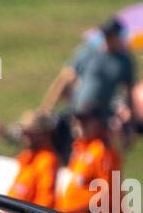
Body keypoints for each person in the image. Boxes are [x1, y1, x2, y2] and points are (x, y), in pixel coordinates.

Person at [41, 18, 136, 161]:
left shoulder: (124, 61)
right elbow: (65, 79)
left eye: (112, 36)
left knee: (98, 154)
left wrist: (130, 122)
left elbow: (128, 91)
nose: (109, 39)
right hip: (77, 111)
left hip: (101, 117)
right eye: (106, 35)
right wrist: (48, 107)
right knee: (69, 149)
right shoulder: (88, 52)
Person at [58, 108, 126, 213]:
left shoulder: (102, 151)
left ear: (98, 123)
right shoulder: (80, 149)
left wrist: (74, 205)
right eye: (76, 121)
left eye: (84, 121)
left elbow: (106, 193)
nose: (78, 125)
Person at [6, 112, 60, 210]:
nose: (25, 137)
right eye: (25, 133)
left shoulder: (47, 160)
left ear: (44, 134)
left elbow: (46, 201)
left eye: (30, 133)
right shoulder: (28, 156)